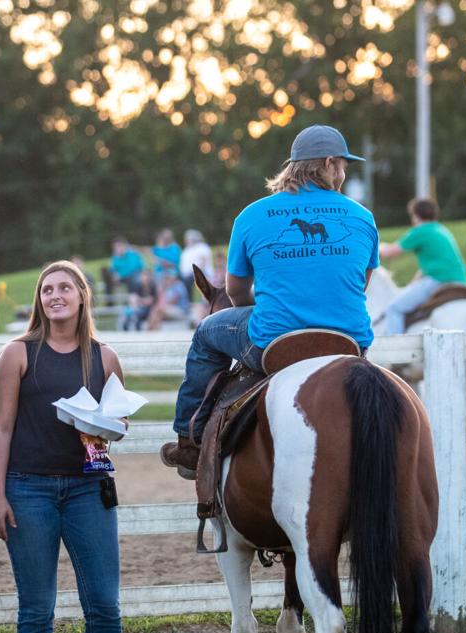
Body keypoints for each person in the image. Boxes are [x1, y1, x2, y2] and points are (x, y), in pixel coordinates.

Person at [161, 124, 376, 475]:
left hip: (274, 342)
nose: (343, 173)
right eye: (343, 166)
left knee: (204, 334)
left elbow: (235, 293)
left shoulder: (252, 215)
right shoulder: (363, 217)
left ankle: (190, 439)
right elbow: (357, 286)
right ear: (329, 162)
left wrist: (258, 305)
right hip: (348, 345)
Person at [0, 260, 143, 633]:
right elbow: (1, 428)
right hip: (27, 489)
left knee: (104, 606)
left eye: (64, 288)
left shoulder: (105, 358)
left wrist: (110, 430)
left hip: (87, 490)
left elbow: (113, 428)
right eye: (47, 289)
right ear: (40, 299)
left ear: (81, 297)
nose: (55, 295)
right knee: (37, 608)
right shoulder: (17, 354)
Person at [377, 197, 466, 334]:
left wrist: (376, 247)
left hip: (439, 280)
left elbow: (390, 252)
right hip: (462, 281)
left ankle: (397, 351)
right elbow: (425, 269)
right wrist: (410, 287)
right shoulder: (441, 230)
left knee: (394, 308)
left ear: (415, 216)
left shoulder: (421, 231)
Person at [179, 228, 213, 300]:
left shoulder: (202, 247)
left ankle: (190, 301)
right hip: (186, 273)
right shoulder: (187, 250)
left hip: (200, 272)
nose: (187, 240)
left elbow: (204, 261)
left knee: (187, 280)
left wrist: (194, 271)